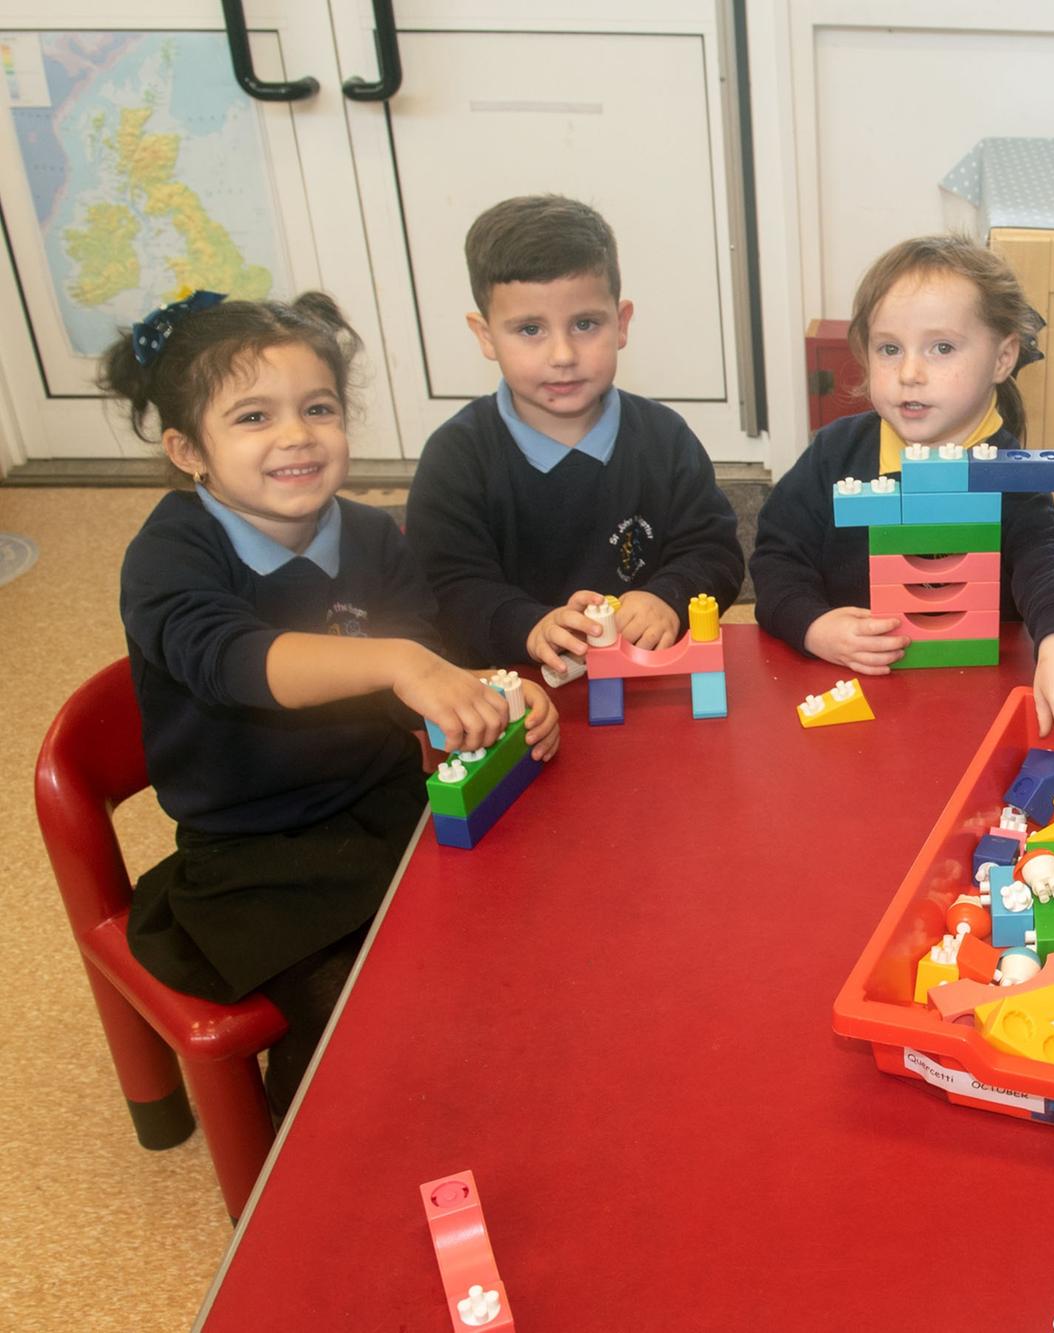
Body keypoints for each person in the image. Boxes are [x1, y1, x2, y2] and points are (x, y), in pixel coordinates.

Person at [108, 289, 559, 1115]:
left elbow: (422, 666)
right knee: (347, 1015)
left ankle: (502, 1101)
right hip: (253, 851)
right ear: (187, 449)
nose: (296, 435)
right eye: (252, 417)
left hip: (385, 807)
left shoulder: (372, 535)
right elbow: (233, 661)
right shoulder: (170, 552)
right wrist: (397, 660)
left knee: (524, 919)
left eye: (318, 407)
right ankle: (319, 1176)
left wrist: (497, 694)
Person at [749, 235, 1054, 757]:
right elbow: (777, 555)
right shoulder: (836, 452)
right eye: (889, 348)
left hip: (970, 706)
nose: (910, 373)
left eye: (941, 348)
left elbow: (1049, 559)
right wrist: (812, 624)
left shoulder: (1005, 468)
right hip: (851, 704)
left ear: (1002, 357)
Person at [404, 195, 743, 675]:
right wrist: (530, 626)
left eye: (585, 324)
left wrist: (667, 597)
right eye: (529, 329)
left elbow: (714, 551)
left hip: (650, 680)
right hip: (514, 692)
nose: (562, 354)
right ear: (484, 336)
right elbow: (449, 588)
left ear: (621, 323)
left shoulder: (664, 438)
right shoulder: (456, 457)